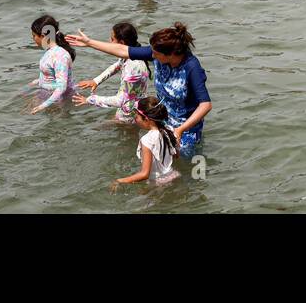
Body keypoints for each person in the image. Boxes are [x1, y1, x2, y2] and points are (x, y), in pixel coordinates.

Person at [64, 22, 211, 157]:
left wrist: (180, 130)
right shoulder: (156, 54)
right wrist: (89, 43)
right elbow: (123, 50)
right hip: (162, 122)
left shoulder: (192, 67)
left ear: (170, 54)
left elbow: (205, 105)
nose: (151, 55)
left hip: (185, 130)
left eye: (155, 54)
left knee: (181, 168)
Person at [73, 22, 151, 121]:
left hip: (131, 116)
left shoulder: (134, 67)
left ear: (122, 43)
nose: (109, 42)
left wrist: (90, 100)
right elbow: (117, 66)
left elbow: (120, 100)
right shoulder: (130, 56)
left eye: (112, 39)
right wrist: (96, 81)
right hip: (132, 108)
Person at [110, 96, 181, 187]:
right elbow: (176, 155)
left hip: (158, 184)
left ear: (147, 119)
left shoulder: (147, 140)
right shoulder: (169, 130)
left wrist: (120, 181)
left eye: (137, 116)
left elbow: (144, 174)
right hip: (173, 175)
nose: (135, 119)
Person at [28, 15, 76, 113]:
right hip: (47, 95)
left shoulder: (60, 56)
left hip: (60, 101)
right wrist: (38, 81)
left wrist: (42, 106)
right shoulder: (50, 52)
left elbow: (61, 87)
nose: (32, 38)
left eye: (34, 35)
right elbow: (52, 73)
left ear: (43, 36)